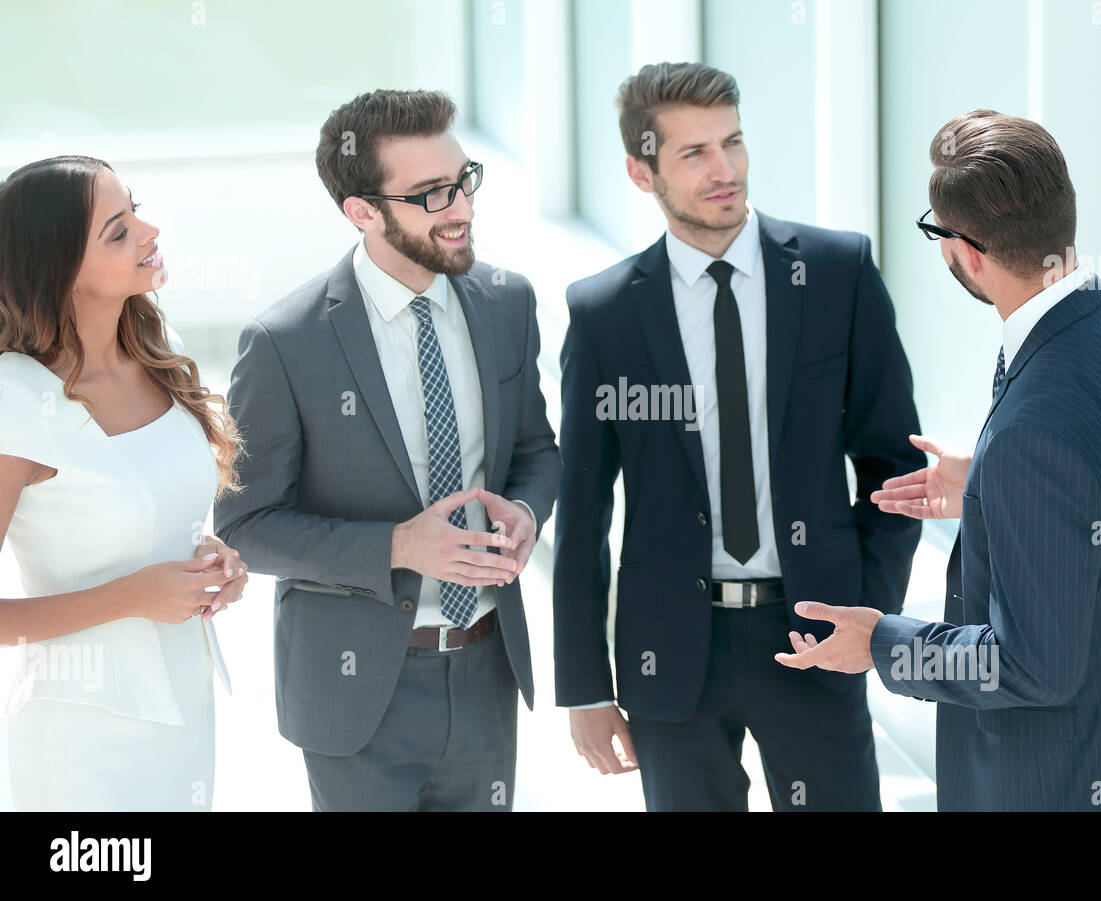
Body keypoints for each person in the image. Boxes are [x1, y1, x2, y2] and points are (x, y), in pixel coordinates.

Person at [777, 109, 1101, 811]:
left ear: (967, 252)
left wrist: (882, 643)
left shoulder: (1035, 429)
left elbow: (1033, 664)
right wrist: (989, 484)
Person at [554, 62, 925, 811]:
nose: (724, 170)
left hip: (816, 633)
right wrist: (585, 687)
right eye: (693, 153)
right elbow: (583, 513)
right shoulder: (604, 314)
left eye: (733, 142)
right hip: (670, 651)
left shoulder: (834, 272)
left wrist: (868, 615)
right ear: (640, 170)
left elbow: (893, 468)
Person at [213, 89, 560, 811]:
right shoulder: (286, 342)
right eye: (431, 195)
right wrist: (398, 545)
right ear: (363, 211)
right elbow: (246, 525)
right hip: (355, 690)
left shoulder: (506, 301)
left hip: (486, 668)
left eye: (465, 180)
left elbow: (537, 448)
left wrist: (526, 510)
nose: (461, 207)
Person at [0, 155, 247, 811]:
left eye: (133, 207)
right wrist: (132, 596)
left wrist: (212, 558)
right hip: (83, 748)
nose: (149, 229)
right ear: (60, 273)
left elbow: (152, 513)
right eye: (118, 230)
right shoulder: (16, 399)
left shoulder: (153, 353)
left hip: (184, 715)